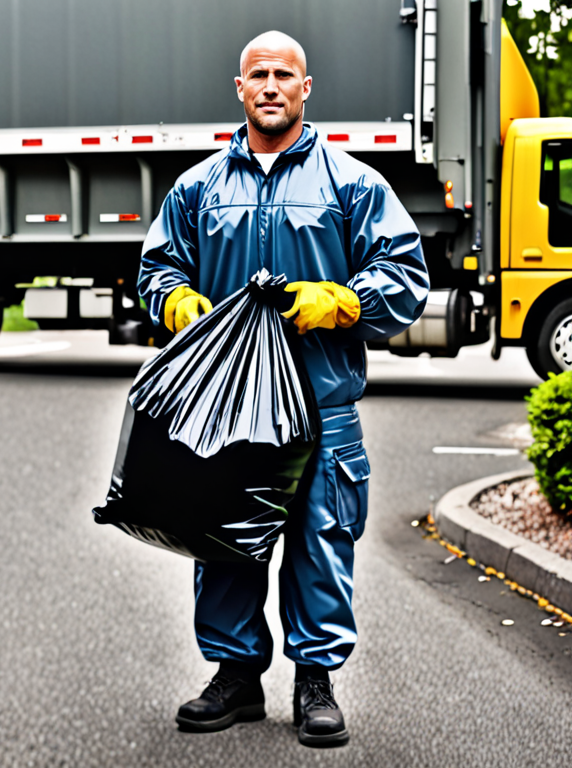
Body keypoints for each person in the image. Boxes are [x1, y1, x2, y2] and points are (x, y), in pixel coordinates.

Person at [138, 31, 429, 747]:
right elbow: (157, 270)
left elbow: (406, 279)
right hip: (223, 407)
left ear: (306, 88)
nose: (271, 85)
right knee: (224, 541)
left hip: (320, 403)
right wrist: (175, 301)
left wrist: (345, 300)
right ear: (240, 90)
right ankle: (235, 677)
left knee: (319, 541)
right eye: (258, 75)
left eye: (284, 75)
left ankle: (316, 681)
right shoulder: (198, 188)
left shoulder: (354, 184)